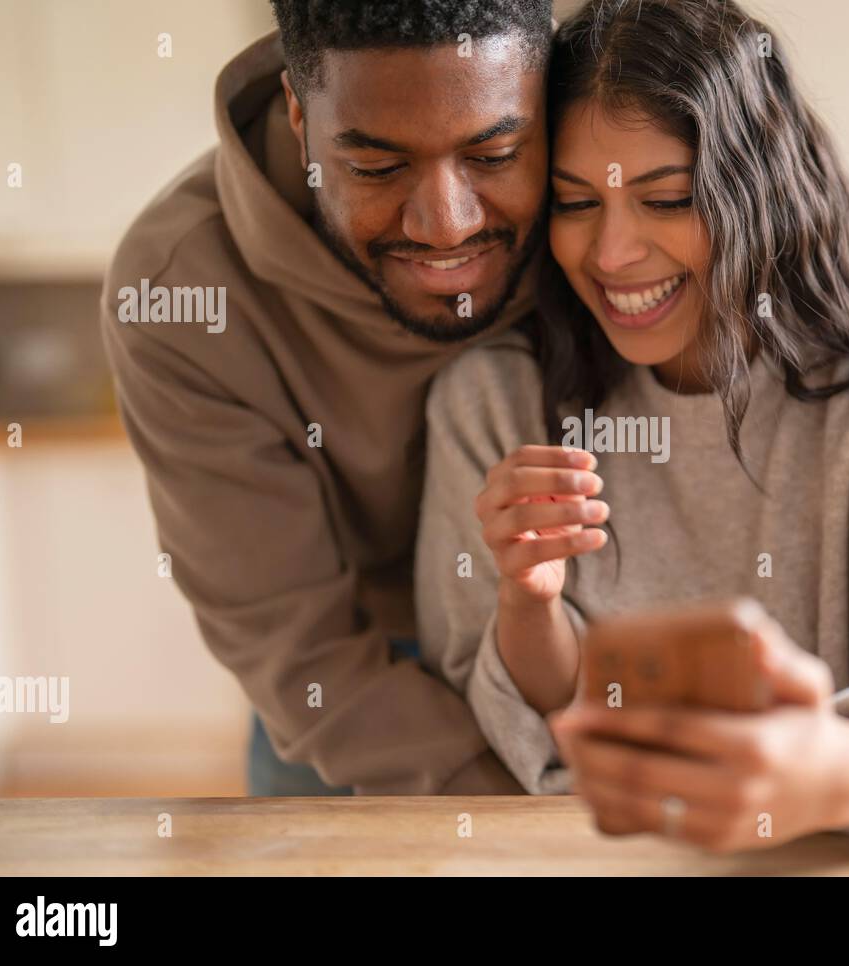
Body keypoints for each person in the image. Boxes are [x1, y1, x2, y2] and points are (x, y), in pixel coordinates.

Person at [416, 0, 849, 850]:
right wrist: (526, 603)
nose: (611, 252)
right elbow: (532, 721)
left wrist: (831, 770)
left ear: (759, 195)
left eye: (666, 199)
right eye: (576, 203)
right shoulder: (494, 405)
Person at [99, 0, 556, 796]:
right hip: (356, 693)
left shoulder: (612, 190)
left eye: (496, 155)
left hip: (593, 664)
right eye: (377, 168)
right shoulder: (179, 288)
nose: (447, 225)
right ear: (299, 119)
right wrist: (533, 816)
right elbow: (300, 647)